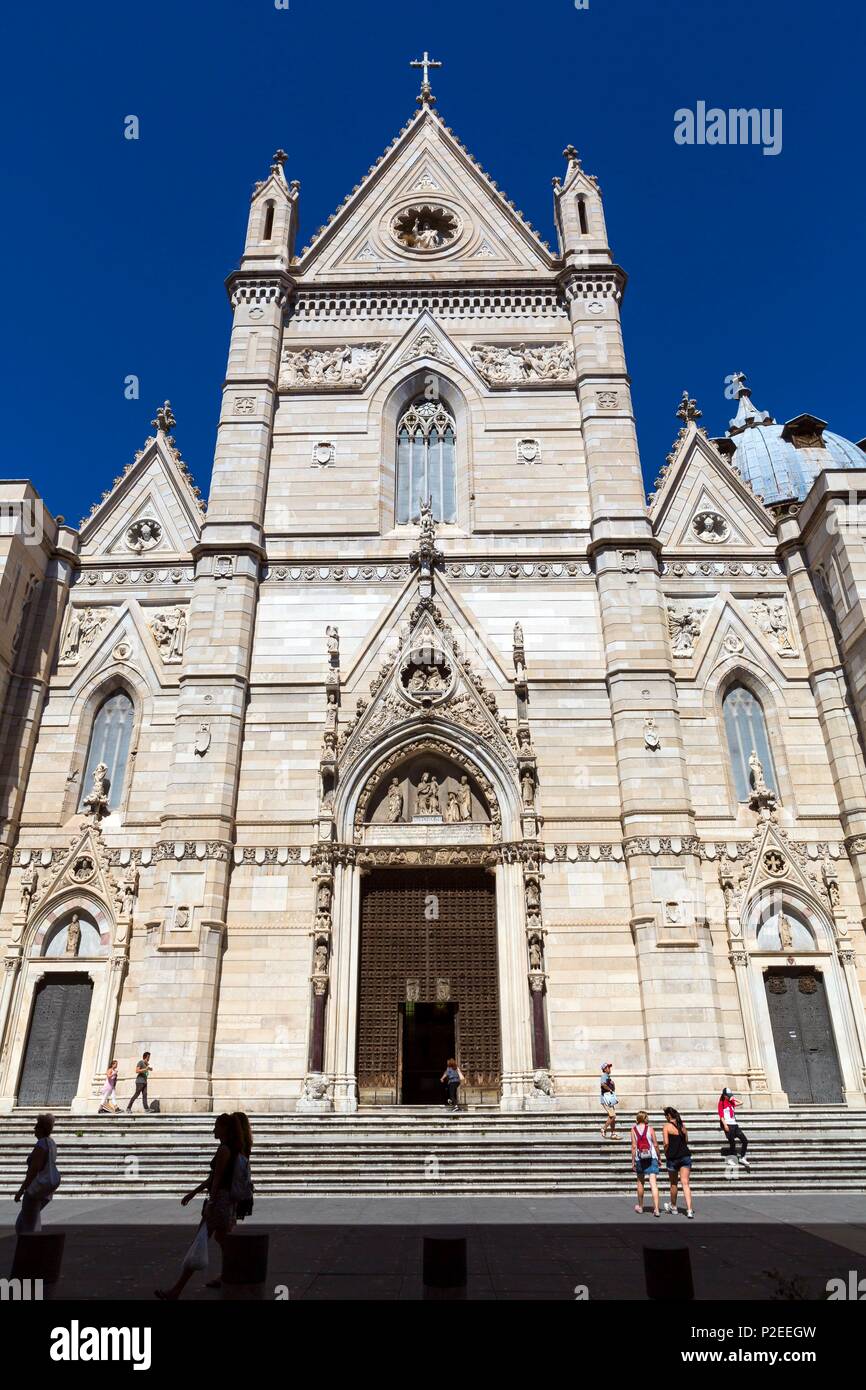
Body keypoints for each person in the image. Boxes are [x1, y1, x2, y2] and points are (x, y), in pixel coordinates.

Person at [155, 1112, 243, 1300]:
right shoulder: (231, 1149)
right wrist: (194, 1192)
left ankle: (176, 1291)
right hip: (225, 1201)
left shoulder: (224, 1150)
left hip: (218, 1202)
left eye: (216, 1126)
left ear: (224, 1129)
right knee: (221, 1239)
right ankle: (237, 1270)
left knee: (198, 1243)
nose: (213, 1129)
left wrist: (210, 1202)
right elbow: (214, 1178)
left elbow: (216, 1178)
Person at [14, 1114, 60, 1233]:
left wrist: (21, 1190)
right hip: (46, 1188)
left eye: (36, 1126)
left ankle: (31, 1248)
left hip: (36, 1188)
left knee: (27, 1226)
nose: (34, 1129)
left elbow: (33, 1170)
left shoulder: (41, 1144)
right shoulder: (51, 1143)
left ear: (41, 1129)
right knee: (26, 1222)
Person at [662, 1107, 694, 1218]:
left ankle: (674, 1207)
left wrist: (665, 1152)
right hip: (685, 1155)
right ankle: (689, 1210)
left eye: (665, 1116)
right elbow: (686, 1141)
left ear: (668, 1116)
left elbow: (666, 1143)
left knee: (673, 1183)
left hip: (673, 1157)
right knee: (685, 1183)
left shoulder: (666, 1126)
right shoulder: (682, 1126)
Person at [631, 1111, 661, 1216]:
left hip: (640, 1158)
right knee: (653, 1183)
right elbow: (656, 1145)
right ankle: (656, 1209)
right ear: (645, 1118)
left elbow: (634, 1146)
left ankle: (640, 1206)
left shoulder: (633, 1130)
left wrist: (633, 1161)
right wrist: (659, 1157)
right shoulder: (650, 1129)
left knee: (640, 1182)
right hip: (651, 1157)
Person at [718, 1088, 750, 1168]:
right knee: (732, 1142)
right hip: (728, 1124)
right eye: (728, 1096)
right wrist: (725, 1125)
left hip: (734, 1124)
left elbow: (741, 1103)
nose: (729, 1097)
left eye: (730, 1095)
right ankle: (730, 1159)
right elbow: (721, 1116)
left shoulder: (731, 1102)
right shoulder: (721, 1103)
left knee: (745, 1140)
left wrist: (733, 1098)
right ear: (724, 1095)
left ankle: (742, 1157)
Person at [599, 1062, 620, 1140]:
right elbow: (603, 1084)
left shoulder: (608, 1077)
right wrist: (610, 1089)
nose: (609, 1069)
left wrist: (612, 1085)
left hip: (609, 1099)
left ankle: (613, 1134)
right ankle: (603, 1129)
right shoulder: (604, 1076)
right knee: (613, 1116)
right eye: (608, 1067)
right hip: (606, 1099)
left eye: (609, 1067)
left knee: (613, 1116)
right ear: (604, 1069)